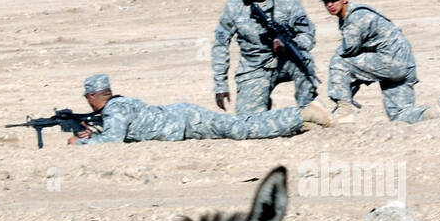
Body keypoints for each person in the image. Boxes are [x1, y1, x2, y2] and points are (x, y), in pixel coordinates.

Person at [69, 73, 330, 146]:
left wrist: (80, 143)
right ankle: (295, 122)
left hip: (187, 121)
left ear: (92, 97)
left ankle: (303, 113)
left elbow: (113, 140)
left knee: (239, 129)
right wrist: (93, 134)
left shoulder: (115, 111)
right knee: (239, 127)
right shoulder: (121, 103)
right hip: (184, 119)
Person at [320, 0, 436, 123]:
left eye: (334, 0)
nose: (330, 5)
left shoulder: (356, 16)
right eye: (326, 1)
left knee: (339, 62)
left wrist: (345, 90)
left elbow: (348, 50)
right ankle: (433, 113)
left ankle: (344, 113)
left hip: (391, 62)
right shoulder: (352, 15)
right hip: (404, 63)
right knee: (400, 115)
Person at [212, 0, 317, 116]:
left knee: (304, 59)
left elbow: (308, 35)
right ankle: (262, 102)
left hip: (284, 62)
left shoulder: (288, 1)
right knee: (248, 123)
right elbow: (220, 45)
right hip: (253, 68)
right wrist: (221, 86)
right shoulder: (233, 7)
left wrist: (289, 43)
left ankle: (308, 110)